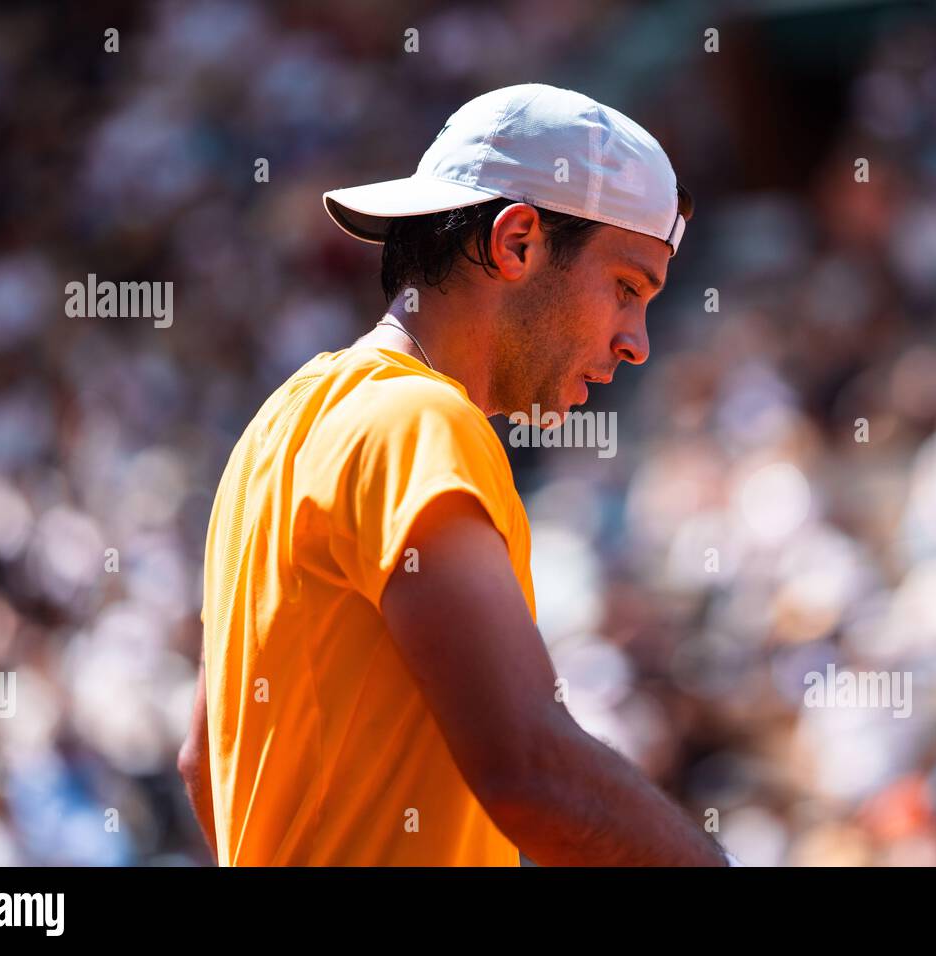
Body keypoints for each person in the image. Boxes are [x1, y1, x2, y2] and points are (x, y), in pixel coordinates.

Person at [178, 83, 732, 866]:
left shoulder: (274, 427)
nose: (637, 341)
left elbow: (207, 766)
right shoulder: (419, 420)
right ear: (516, 243)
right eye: (626, 288)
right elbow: (531, 771)